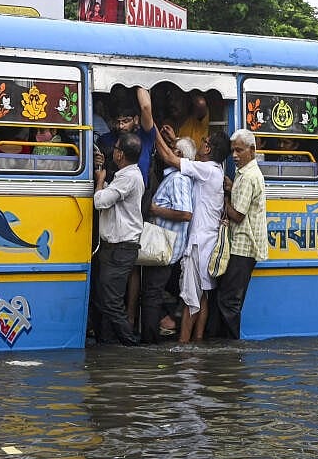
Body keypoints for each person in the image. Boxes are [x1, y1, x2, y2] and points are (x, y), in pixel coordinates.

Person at [147, 88, 229, 344]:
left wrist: (152, 128)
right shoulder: (215, 170)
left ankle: (184, 348)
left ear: (209, 149)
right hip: (207, 242)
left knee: (190, 300)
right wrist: (175, 140)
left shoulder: (207, 170)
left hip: (198, 244)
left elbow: (170, 158)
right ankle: (198, 342)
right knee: (202, 297)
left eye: (204, 142)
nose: (200, 144)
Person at [139, 137, 194, 343]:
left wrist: (155, 210)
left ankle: (150, 340)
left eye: (172, 149)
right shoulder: (173, 177)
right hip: (164, 246)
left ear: (178, 155)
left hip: (165, 247)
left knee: (152, 294)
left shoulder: (178, 179)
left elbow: (185, 213)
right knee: (154, 292)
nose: (167, 152)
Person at [92, 132, 145, 346]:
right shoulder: (126, 175)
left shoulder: (128, 177)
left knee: (111, 301)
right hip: (115, 247)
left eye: (115, 148)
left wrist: (100, 181)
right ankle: (108, 341)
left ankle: (130, 345)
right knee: (103, 298)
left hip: (120, 247)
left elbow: (100, 201)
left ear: (120, 154)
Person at [217, 129, 267, 340]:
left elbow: (237, 215)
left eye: (239, 150)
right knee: (229, 298)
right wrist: (232, 188)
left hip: (243, 245)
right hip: (242, 245)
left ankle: (231, 347)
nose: (234, 155)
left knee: (229, 301)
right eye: (233, 151)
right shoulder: (245, 173)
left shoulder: (248, 176)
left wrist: (222, 200)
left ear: (252, 150)